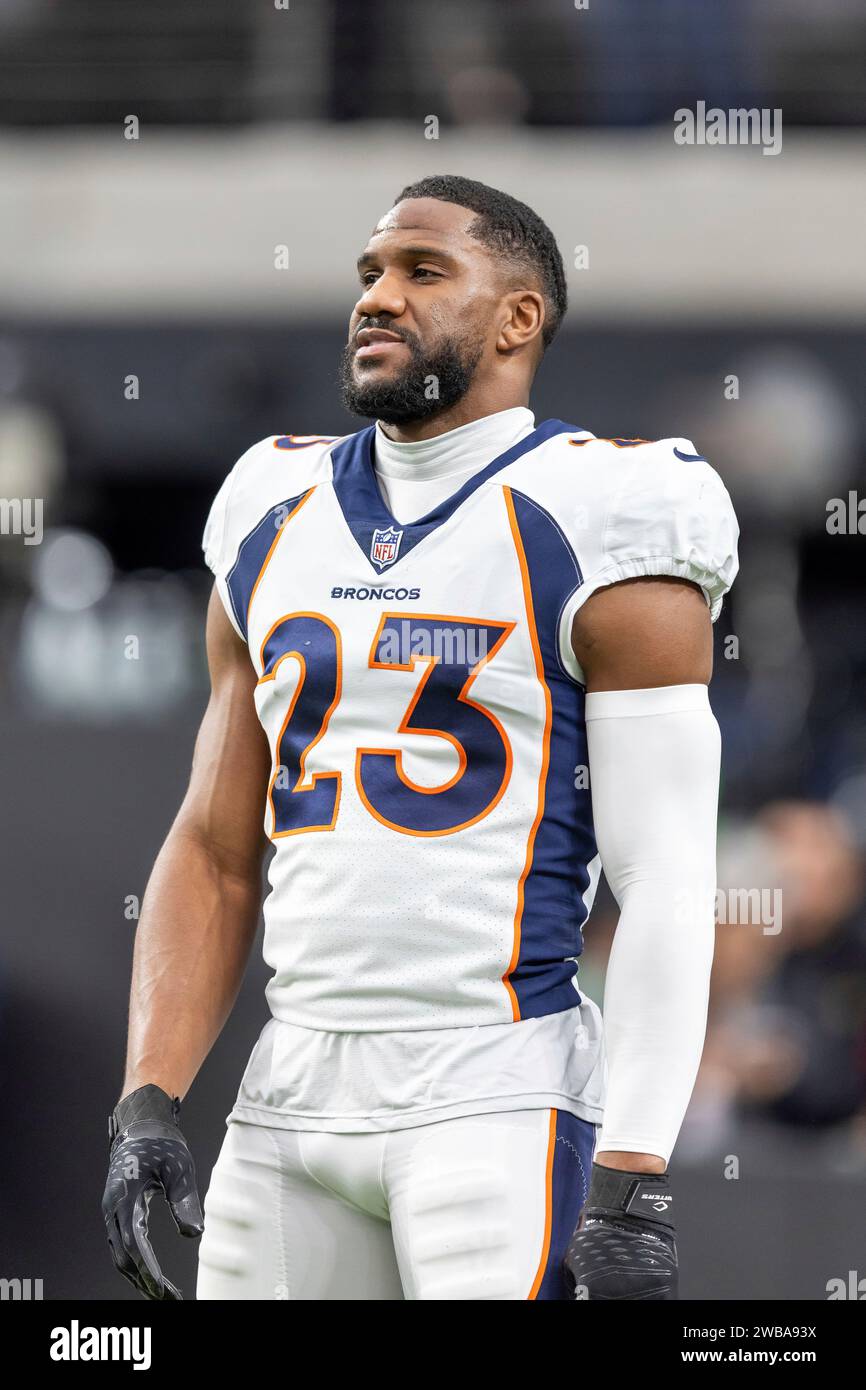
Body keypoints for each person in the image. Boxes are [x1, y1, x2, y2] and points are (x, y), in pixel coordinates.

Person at [102, 174, 738, 1300]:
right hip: (290, 1084)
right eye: (368, 274)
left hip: (492, 1084)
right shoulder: (270, 501)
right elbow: (211, 847)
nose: (378, 297)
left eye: (421, 271)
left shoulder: (607, 509)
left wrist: (635, 1174)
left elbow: (665, 877)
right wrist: (148, 1094)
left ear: (516, 317)